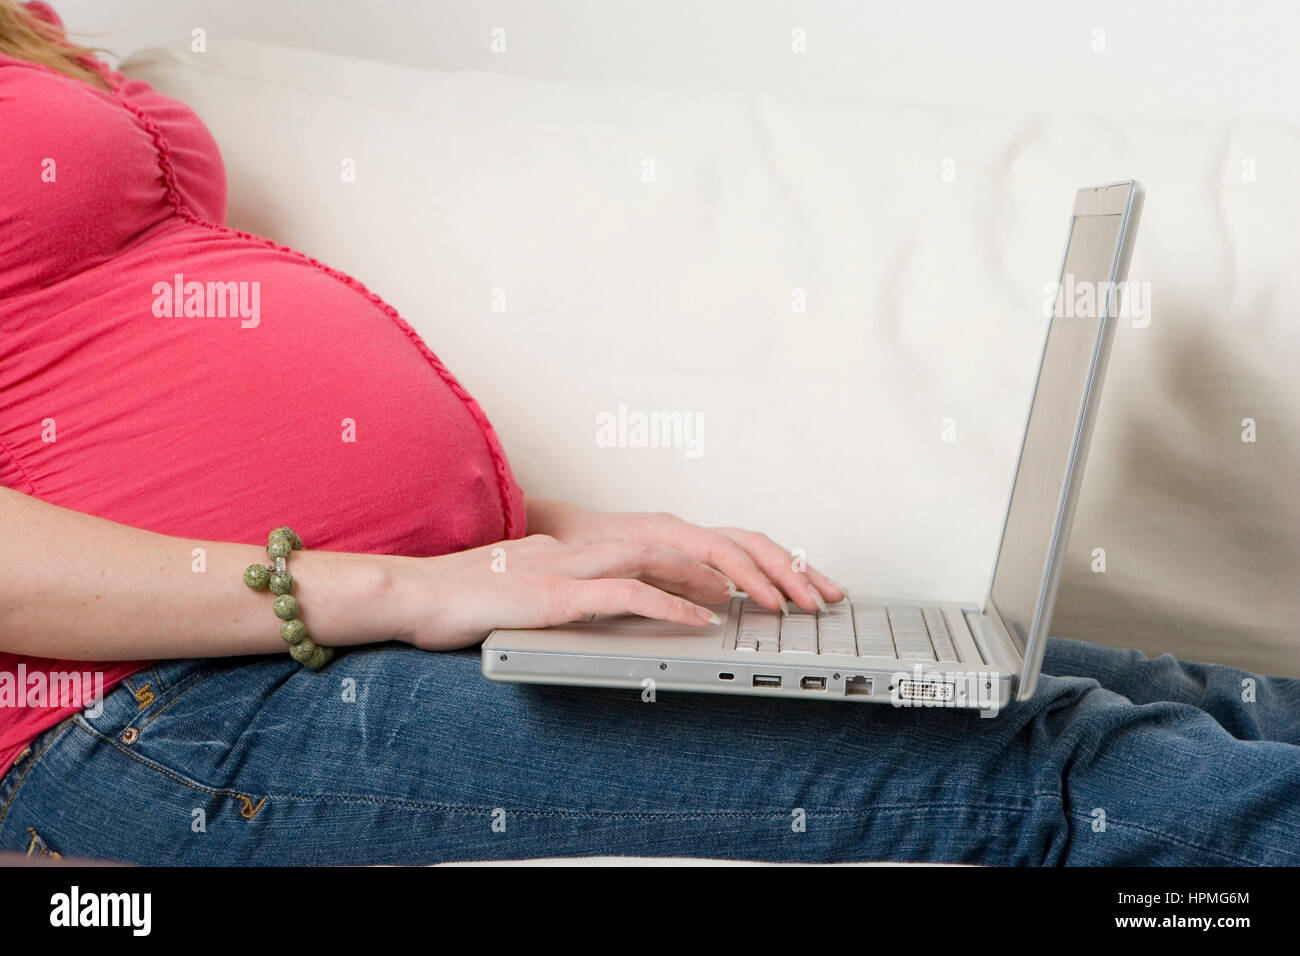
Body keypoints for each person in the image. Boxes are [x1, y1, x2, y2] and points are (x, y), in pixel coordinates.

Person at [1, 0, 1296, 866]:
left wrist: (546, 535)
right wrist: (407, 586)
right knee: (1060, 767)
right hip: (164, 710)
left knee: (1153, 688)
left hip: (357, 615)